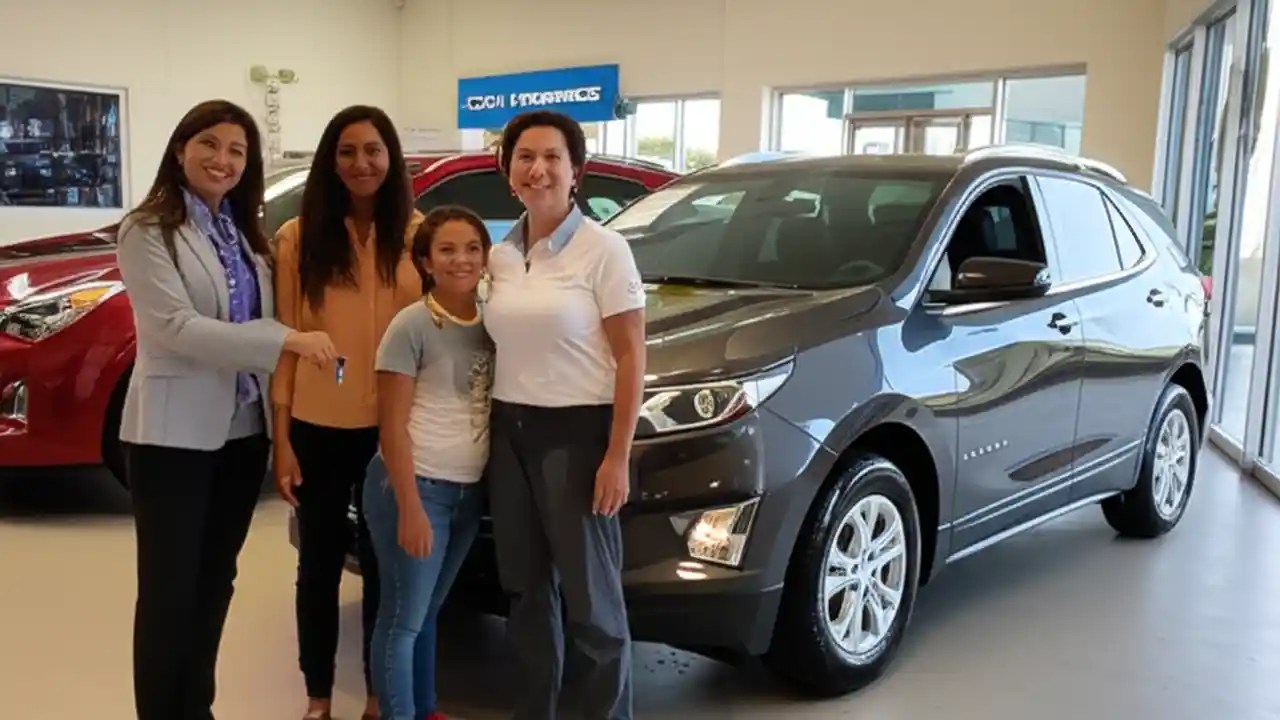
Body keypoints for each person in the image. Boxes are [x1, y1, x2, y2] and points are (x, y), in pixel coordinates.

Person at [115, 98, 337, 720]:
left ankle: (197, 707)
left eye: (237, 150)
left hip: (241, 433)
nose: (222, 159)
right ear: (181, 148)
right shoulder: (147, 229)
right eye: (209, 144)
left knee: (215, 583)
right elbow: (175, 327)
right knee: (169, 591)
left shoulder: (242, 234)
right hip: (171, 438)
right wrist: (285, 340)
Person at [483, 110, 647, 720]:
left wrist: (616, 456)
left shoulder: (604, 250)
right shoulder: (500, 255)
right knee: (525, 592)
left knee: (593, 606)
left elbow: (632, 356)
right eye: (525, 157)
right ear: (508, 173)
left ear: (576, 171)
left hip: (579, 436)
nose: (538, 168)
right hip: (511, 434)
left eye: (553, 157)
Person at [270, 105, 424, 720]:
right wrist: (281, 439)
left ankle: (380, 694)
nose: (362, 164)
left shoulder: (417, 235)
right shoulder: (297, 239)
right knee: (319, 568)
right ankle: (318, 697)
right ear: (330, 163)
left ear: (391, 158)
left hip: (394, 430)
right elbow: (284, 342)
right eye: (347, 152)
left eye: (373, 150)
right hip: (318, 426)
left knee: (387, 568)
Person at [364, 205, 495, 720]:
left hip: (466, 491)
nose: (460, 260)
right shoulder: (411, 325)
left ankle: (425, 708)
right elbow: (391, 426)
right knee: (401, 621)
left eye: (472, 249)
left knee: (426, 613)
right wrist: (411, 506)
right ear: (425, 261)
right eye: (446, 250)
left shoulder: (492, 319)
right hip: (414, 489)